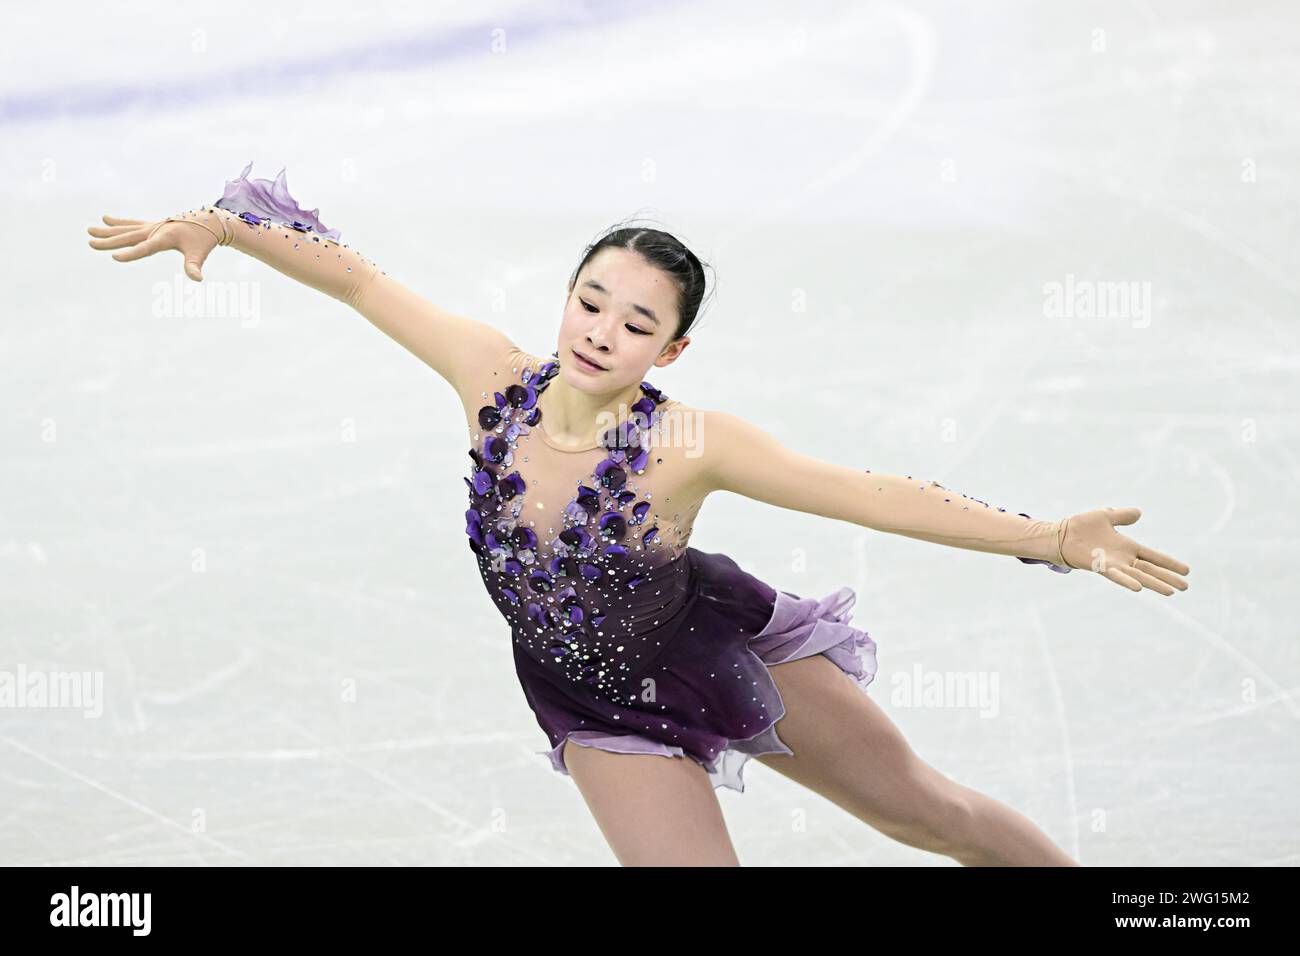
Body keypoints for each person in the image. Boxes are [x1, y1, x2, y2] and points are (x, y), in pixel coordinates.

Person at [87, 162, 1191, 866]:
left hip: (710, 646)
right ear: (566, 296)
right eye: (591, 299)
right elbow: (362, 280)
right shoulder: (488, 375)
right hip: (592, 694)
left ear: (671, 349)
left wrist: (1049, 536)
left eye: (638, 321)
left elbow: (869, 492)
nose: (603, 329)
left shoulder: (686, 445)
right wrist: (220, 229)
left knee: (921, 812)